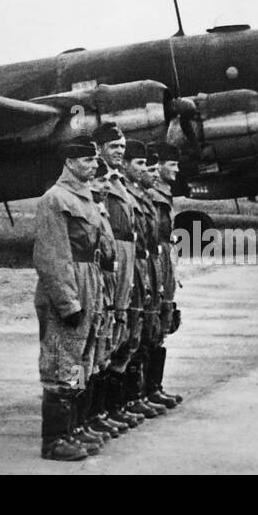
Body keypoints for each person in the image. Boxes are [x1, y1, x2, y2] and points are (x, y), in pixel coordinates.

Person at [32, 139, 116, 461]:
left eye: (95, 159)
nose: (94, 165)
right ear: (68, 162)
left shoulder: (87, 199)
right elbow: (51, 257)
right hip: (69, 287)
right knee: (61, 366)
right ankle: (54, 441)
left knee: (82, 362)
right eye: (86, 160)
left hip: (90, 284)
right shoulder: (54, 200)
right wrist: (68, 303)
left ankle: (75, 427)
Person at [91, 123, 146, 431]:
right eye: (114, 147)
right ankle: (96, 414)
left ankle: (113, 406)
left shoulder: (119, 182)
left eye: (122, 147)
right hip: (109, 261)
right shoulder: (96, 183)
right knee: (103, 333)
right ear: (98, 149)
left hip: (127, 258)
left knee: (122, 328)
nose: (120, 152)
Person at [121, 139, 168, 419]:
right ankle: (70, 423)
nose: (152, 171)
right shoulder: (58, 200)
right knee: (89, 357)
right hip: (115, 276)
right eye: (141, 164)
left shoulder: (143, 196)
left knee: (141, 336)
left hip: (140, 272)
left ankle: (133, 397)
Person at [144, 142, 184, 406]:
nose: (177, 170)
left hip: (165, 265)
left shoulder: (164, 194)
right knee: (147, 327)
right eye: (173, 164)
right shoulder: (150, 195)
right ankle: (139, 393)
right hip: (153, 266)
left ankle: (152, 388)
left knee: (162, 326)